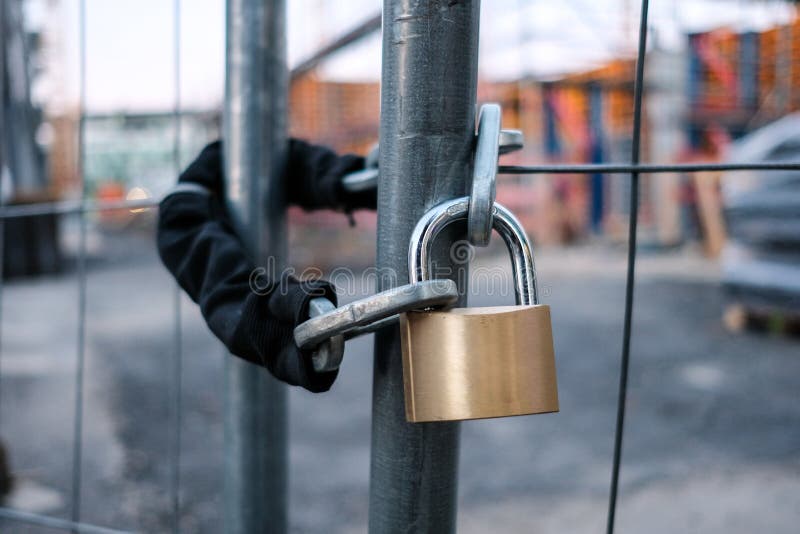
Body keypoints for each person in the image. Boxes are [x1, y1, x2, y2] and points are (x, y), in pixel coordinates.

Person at [157, 139, 375, 393]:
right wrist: (278, 320)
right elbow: (185, 228)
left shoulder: (253, 155)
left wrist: (359, 177)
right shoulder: (221, 163)